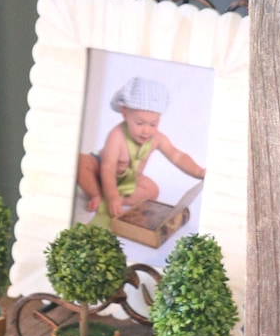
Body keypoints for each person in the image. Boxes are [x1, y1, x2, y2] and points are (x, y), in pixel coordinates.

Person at [77, 76, 206, 227]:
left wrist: (198, 172)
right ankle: (97, 194)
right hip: (101, 169)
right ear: (125, 114)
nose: (146, 130)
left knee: (152, 191)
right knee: (81, 162)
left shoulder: (157, 139)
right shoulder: (116, 136)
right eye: (139, 123)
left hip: (129, 180)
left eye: (153, 124)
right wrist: (111, 197)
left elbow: (177, 156)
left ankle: (120, 198)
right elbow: (108, 167)